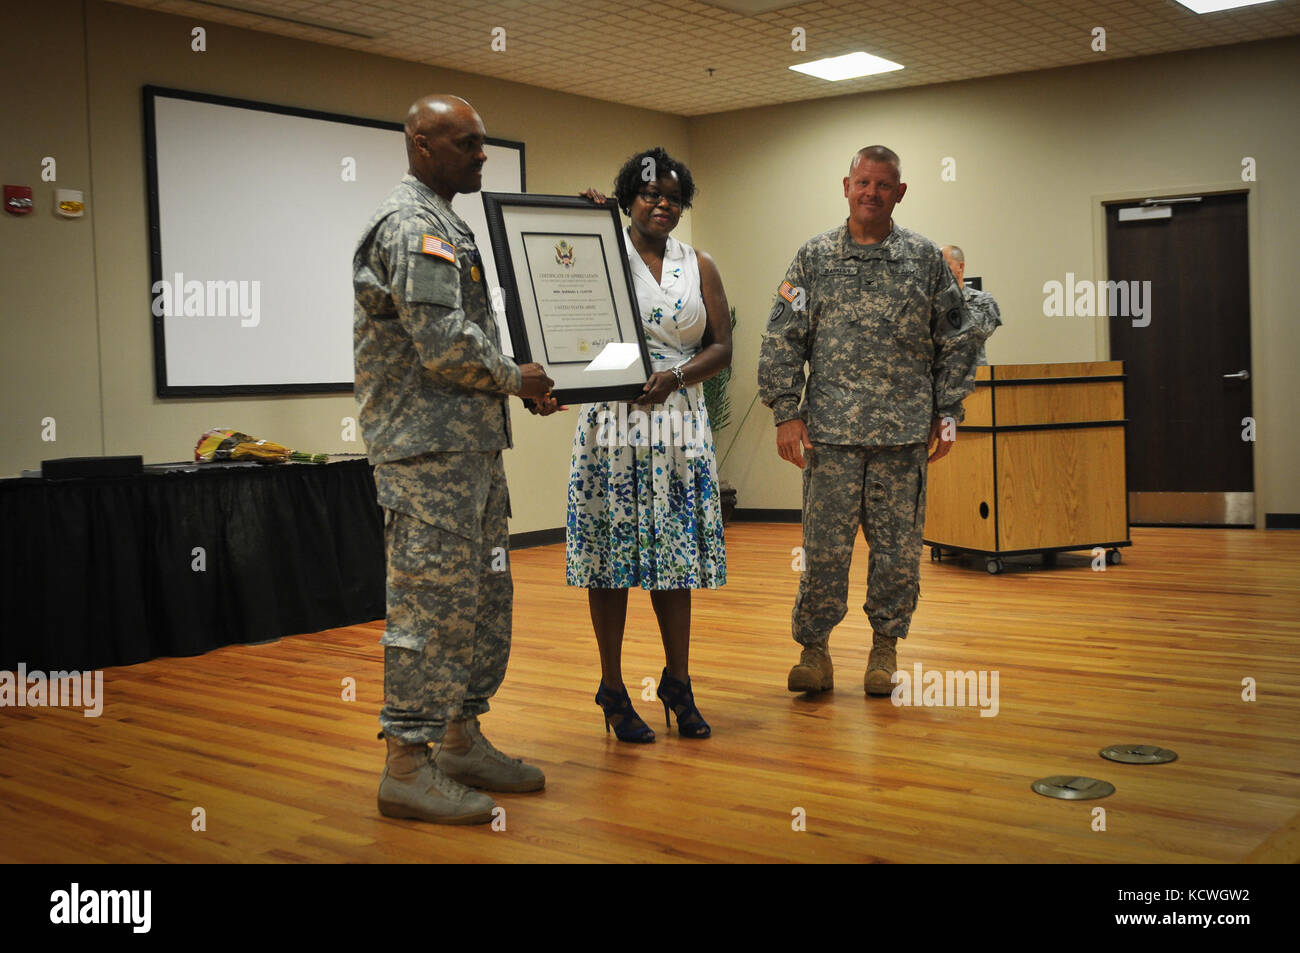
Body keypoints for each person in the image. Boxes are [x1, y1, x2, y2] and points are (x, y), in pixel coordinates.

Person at [353, 94, 556, 825]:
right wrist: (517, 376)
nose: (481, 155)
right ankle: (406, 764)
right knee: (429, 611)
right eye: (467, 144)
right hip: (425, 456)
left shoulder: (448, 221)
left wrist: (522, 383)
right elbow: (443, 344)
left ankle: (460, 737)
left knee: (480, 605)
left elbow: (465, 339)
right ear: (421, 145)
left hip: (468, 450)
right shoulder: (413, 227)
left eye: (482, 142)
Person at [758, 145, 980, 698]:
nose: (871, 193)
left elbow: (957, 338)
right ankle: (815, 651)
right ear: (846, 186)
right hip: (830, 437)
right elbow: (782, 338)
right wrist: (787, 413)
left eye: (883, 185)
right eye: (863, 183)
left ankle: (885, 648)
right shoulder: (813, 258)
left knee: (897, 553)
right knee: (825, 550)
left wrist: (948, 412)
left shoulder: (925, 259)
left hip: (903, 437)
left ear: (899, 193)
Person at [568, 147, 732, 742]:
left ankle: (678, 684)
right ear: (626, 199)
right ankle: (612, 689)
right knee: (610, 558)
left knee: (674, 556)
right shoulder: (604, 255)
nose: (661, 203)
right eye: (647, 193)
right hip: (612, 421)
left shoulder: (700, 264)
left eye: (672, 195)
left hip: (679, 419)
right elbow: (569, 318)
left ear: (682, 204)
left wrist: (676, 378)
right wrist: (583, 223)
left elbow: (721, 348)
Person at [941, 244, 1002, 365]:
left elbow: (979, 331)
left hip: (973, 376)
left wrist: (953, 298)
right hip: (939, 377)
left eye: (945, 264)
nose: (940, 270)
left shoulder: (983, 300)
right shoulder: (930, 302)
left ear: (960, 266)